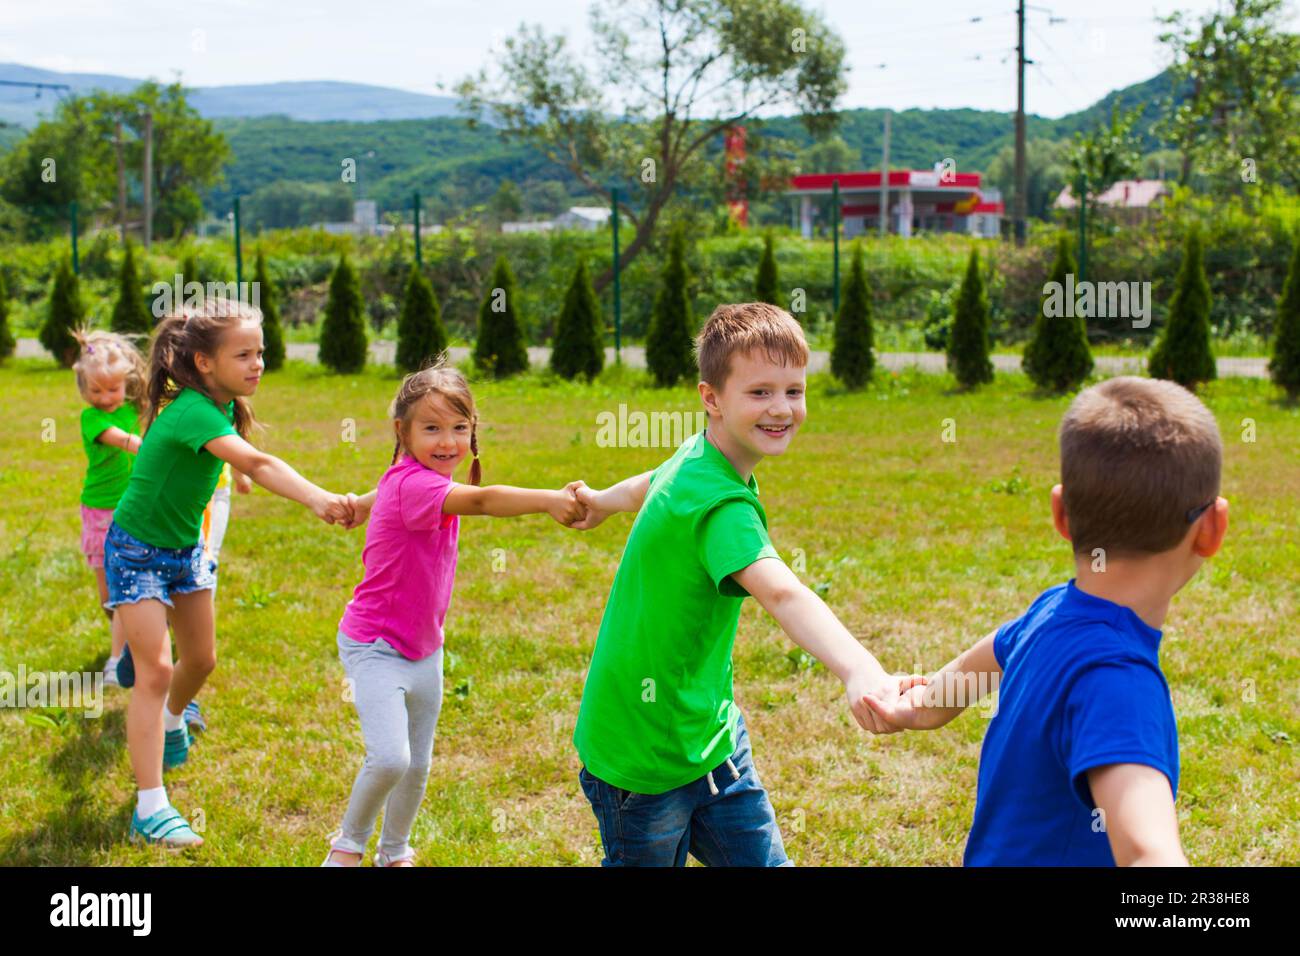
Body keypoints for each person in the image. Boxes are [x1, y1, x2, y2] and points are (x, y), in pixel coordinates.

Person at [865, 376, 1228, 866]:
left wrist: (926, 705)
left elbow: (999, 648)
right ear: (1212, 529)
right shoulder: (1119, 683)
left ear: (1060, 514)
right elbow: (1147, 851)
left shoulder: (1053, 611)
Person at [105, 298, 354, 848]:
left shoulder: (220, 408)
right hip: (137, 551)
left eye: (260, 352)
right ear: (202, 363)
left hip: (183, 550)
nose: (257, 363)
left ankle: (171, 723)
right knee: (157, 673)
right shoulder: (194, 410)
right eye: (243, 354)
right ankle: (150, 808)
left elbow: (234, 459)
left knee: (202, 659)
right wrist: (317, 498)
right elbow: (258, 463)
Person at [323, 357, 585, 866]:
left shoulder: (409, 477)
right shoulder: (418, 485)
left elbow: (392, 490)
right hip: (376, 644)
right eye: (432, 428)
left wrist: (361, 503)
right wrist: (550, 500)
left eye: (460, 428)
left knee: (417, 765)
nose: (448, 442)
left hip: (425, 646)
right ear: (402, 431)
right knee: (391, 758)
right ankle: (347, 846)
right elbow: (484, 500)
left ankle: (394, 850)